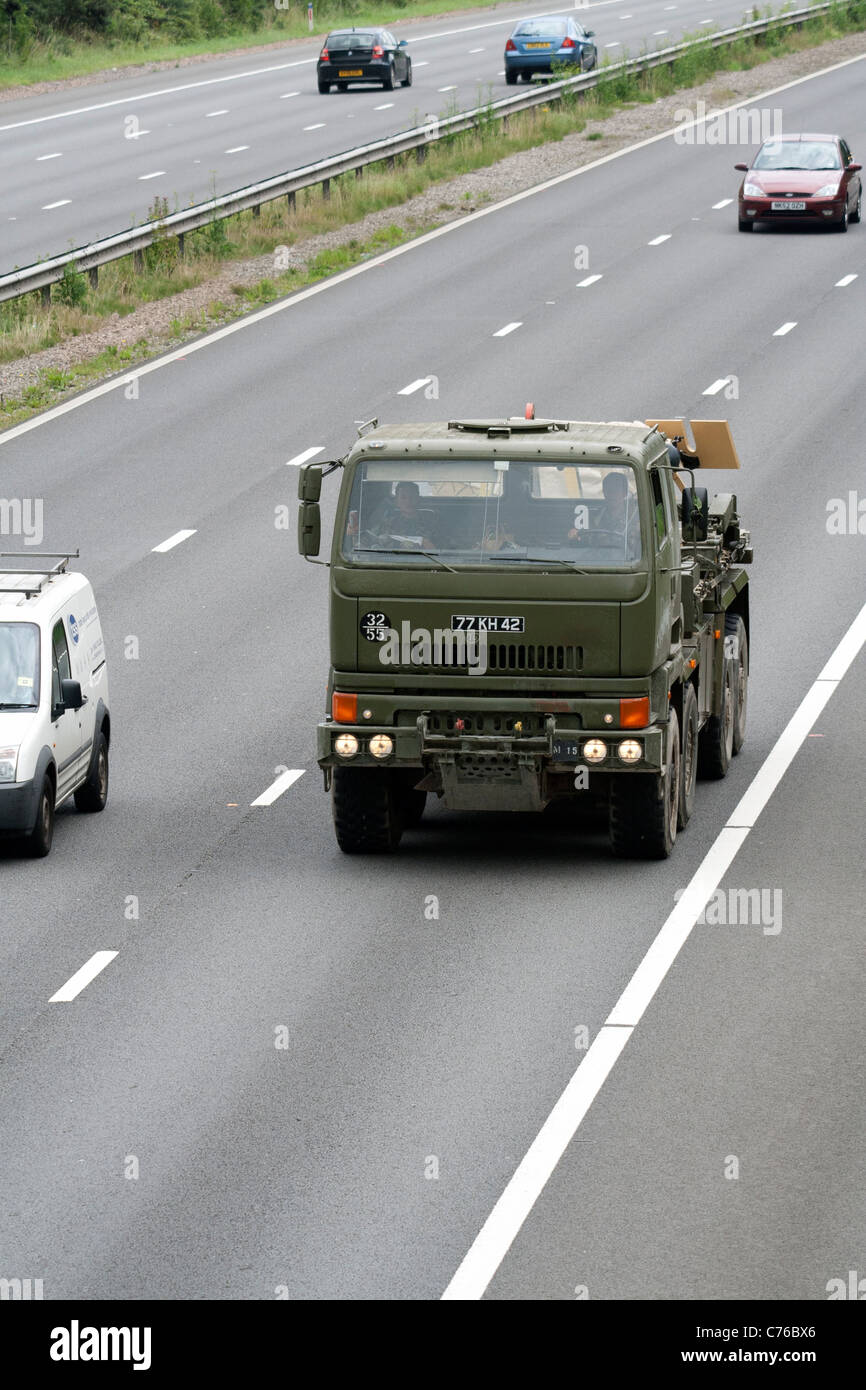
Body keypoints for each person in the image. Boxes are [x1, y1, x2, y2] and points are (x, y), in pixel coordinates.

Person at [568, 471, 640, 558]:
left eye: (616, 490)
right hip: (599, 561)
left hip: (627, 562)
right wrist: (574, 534)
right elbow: (581, 535)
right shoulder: (593, 517)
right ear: (604, 492)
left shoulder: (635, 518)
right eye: (608, 490)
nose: (612, 494)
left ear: (624, 493)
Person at [365, 481, 437, 549]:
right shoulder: (387, 523)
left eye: (412, 496)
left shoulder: (432, 523)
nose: (408, 501)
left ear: (419, 499)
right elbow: (371, 541)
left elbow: (443, 550)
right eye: (403, 497)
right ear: (396, 502)